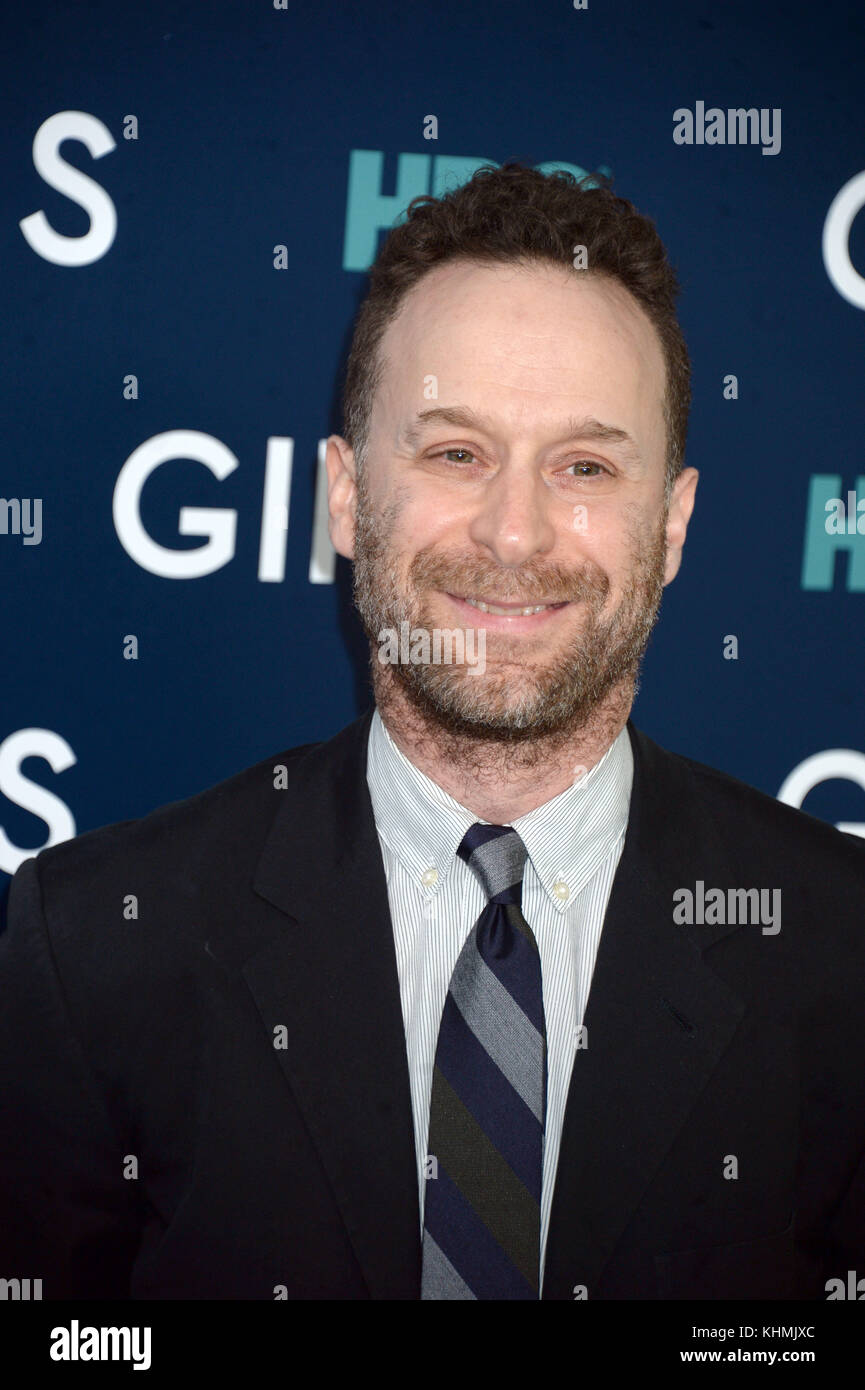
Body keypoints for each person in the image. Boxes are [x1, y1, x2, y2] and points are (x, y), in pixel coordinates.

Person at [1, 163, 863, 1301]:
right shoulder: (97, 942)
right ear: (347, 498)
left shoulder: (841, 952)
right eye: (456, 452)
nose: (515, 533)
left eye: (586, 466)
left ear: (673, 525)